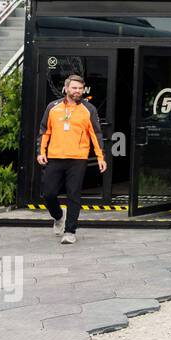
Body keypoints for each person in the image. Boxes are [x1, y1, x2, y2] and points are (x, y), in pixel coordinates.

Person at [36, 73, 106, 244]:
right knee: (49, 194)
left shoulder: (89, 109)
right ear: (66, 88)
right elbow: (45, 131)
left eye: (80, 88)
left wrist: (100, 157)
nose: (77, 91)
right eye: (74, 88)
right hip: (55, 156)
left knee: (73, 194)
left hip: (77, 158)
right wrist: (41, 152)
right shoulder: (53, 107)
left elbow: (95, 134)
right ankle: (59, 216)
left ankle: (70, 231)